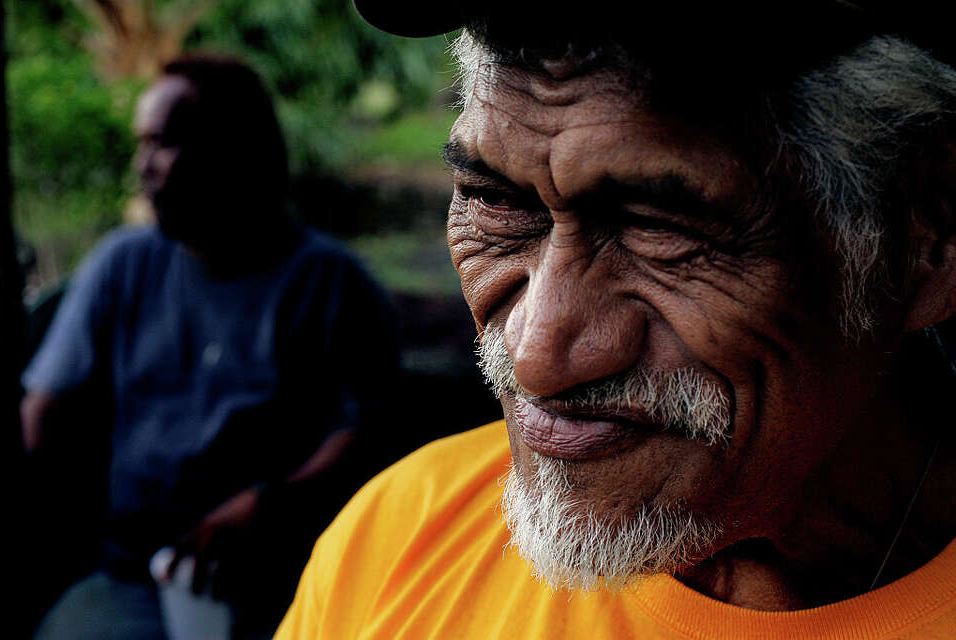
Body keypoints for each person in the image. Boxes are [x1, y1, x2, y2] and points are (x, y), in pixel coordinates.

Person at [275, 2, 956, 638]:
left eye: (660, 229)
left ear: (930, 237)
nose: (537, 351)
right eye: (495, 201)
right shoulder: (396, 539)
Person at [21, 55, 399, 639]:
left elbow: (367, 434)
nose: (144, 165)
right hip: (131, 576)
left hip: (276, 578)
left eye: (166, 144)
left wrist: (272, 507)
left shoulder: (327, 285)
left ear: (234, 151)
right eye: (142, 143)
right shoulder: (123, 265)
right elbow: (45, 412)